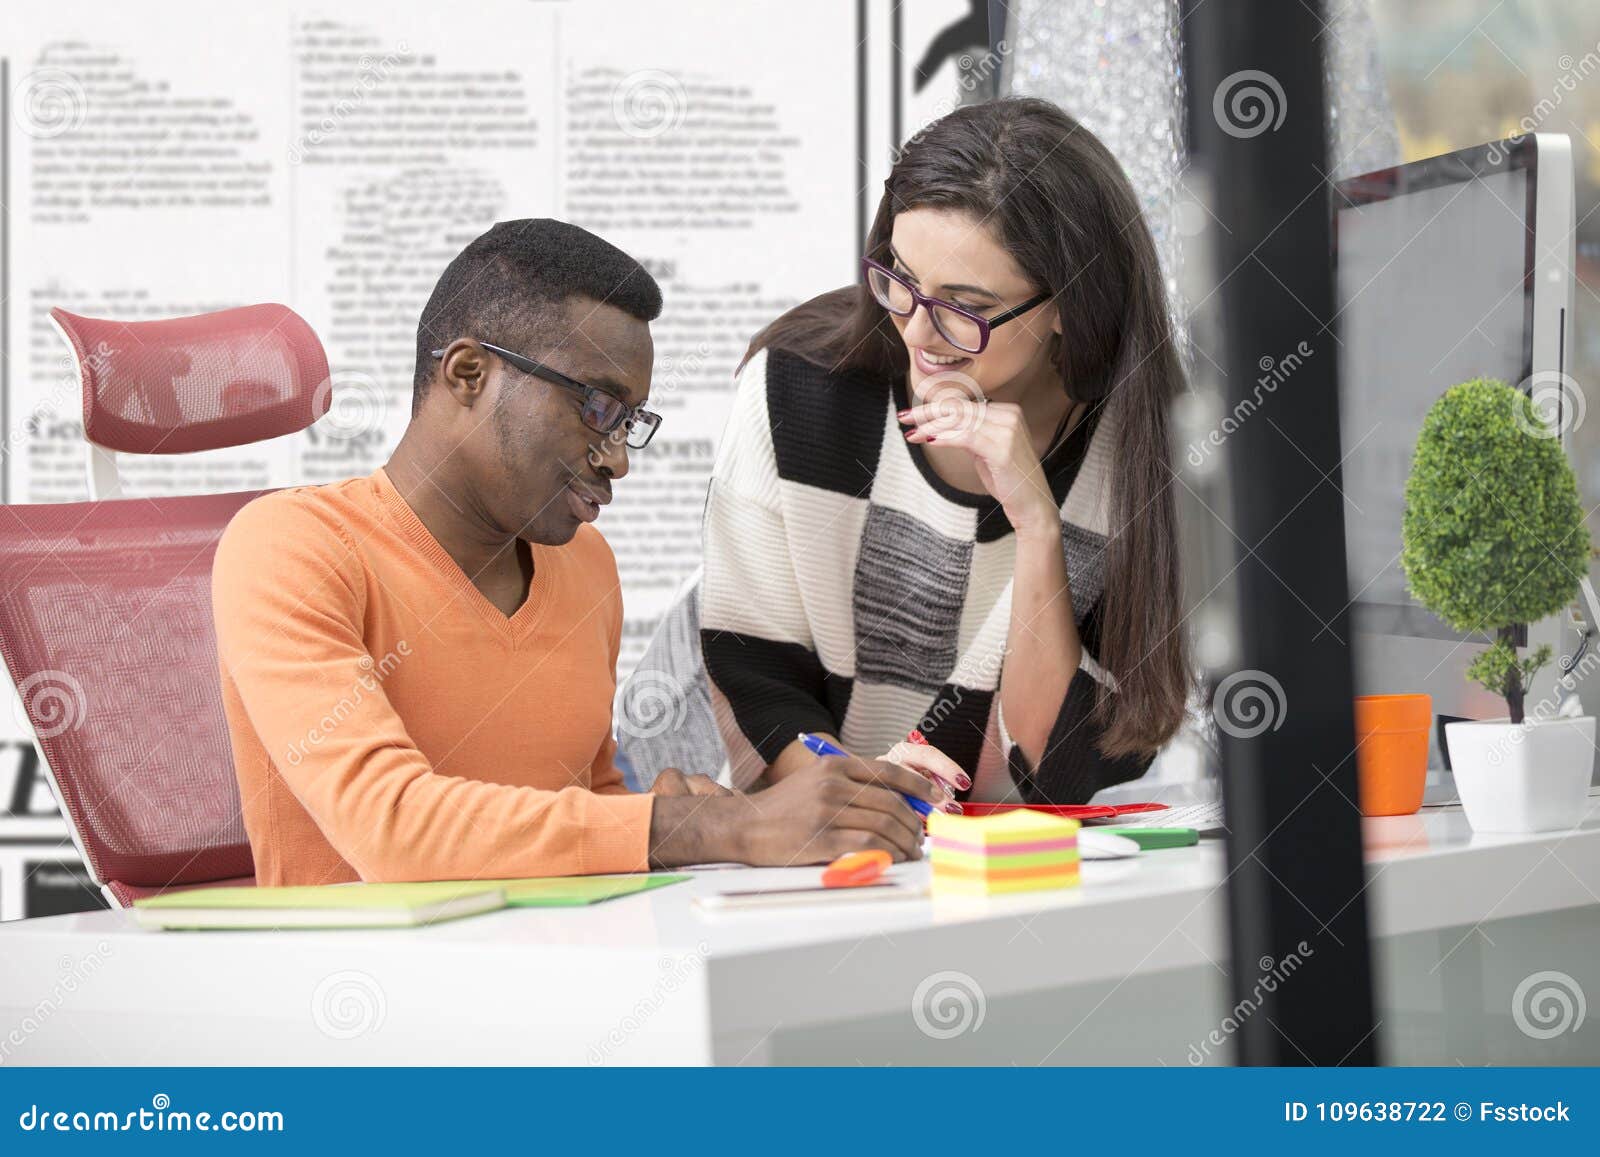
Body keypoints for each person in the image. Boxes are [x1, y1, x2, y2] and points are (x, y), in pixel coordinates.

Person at [213, 218, 941, 887]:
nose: (618, 459)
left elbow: (590, 811)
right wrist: (718, 825)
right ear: (468, 374)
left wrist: (680, 815)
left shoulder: (585, 567)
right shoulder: (290, 547)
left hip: (558, 978)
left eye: (632, 421)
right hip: (364, 996)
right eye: (596, 406)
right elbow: (392, 830)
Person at [698, 98, 1192, 802]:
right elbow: (758, 681)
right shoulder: (798, 387)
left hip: (1027, 869)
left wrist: (1037, 526)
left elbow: (1059, 768)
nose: (917, 335)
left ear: (1067, 305)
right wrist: (869, 797)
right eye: (899, 281)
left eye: (964, 308)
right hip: (818, 852)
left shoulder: (1148, 443)